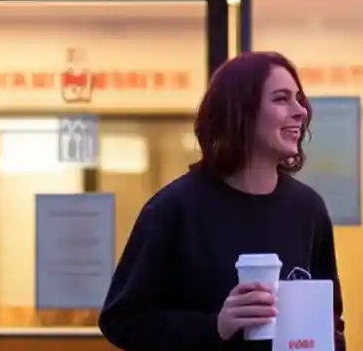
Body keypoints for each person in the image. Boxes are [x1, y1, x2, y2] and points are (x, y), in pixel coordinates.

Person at [99, 51, 346, 350]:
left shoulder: (308, 208)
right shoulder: (174, 209)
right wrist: (216, 325)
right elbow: (123, 321)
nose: (301, 111)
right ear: (239, 111)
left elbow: (330, 320)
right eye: (281, 99)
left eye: (299, 99)